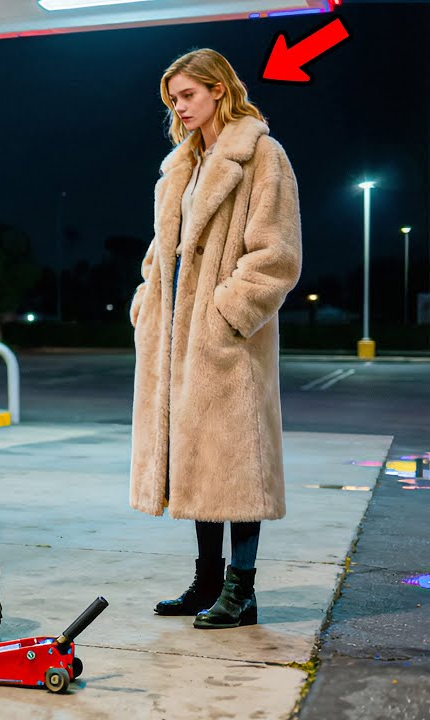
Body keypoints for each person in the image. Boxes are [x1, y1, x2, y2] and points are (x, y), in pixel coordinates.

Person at [128, 49, 302, 630]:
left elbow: (276, 255)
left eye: (188, 95)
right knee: (199, 458)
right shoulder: (183, 165)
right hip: (177, 336)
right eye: (173, 100)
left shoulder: (262, 156)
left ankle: (241, 590)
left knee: (238, 461)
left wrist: (227, 313)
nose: (179, 107)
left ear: (219, 90)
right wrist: (147, 299)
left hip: (227, 339)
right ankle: (207, 581)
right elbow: (163, 248)